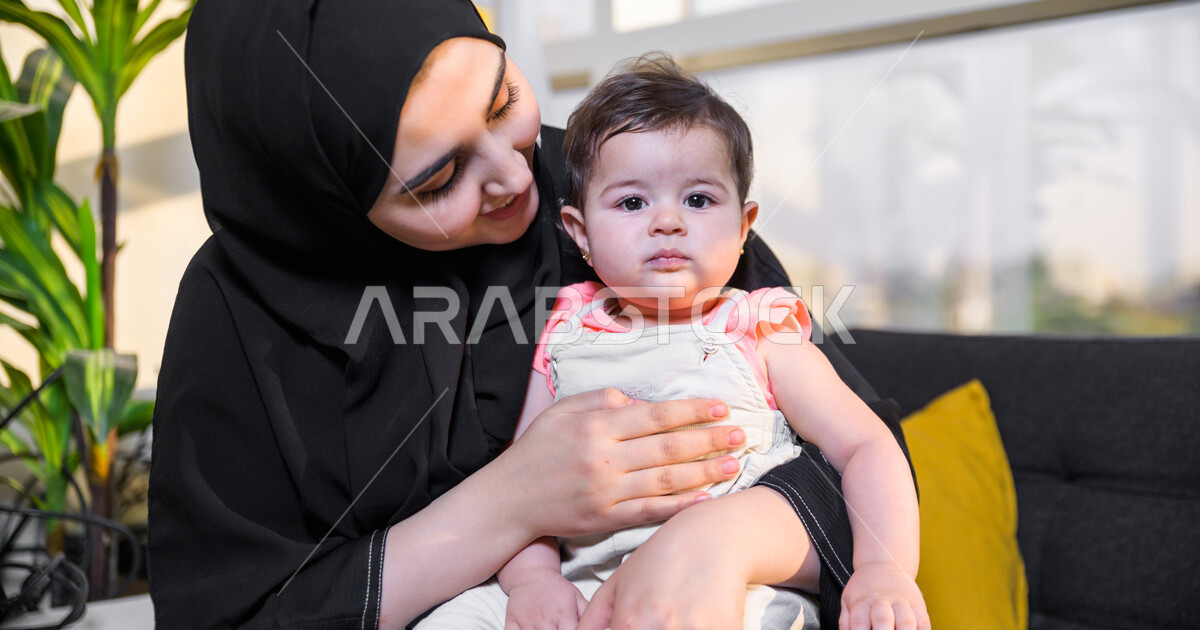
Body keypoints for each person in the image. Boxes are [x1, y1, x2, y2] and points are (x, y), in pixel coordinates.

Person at [149, 1, 913, 629]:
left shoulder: (634, 184)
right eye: (439, 178)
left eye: (503, 100)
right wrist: (512, 504)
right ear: (328, 209)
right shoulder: (234, 313)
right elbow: (231, 612)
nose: (518, 177)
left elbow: (864, 456)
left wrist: (722, 539)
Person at [413, 55, 929, 630]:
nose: (667, 222)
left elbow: (865, 446)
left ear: (743, 228)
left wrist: (883, 570)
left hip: (727, 586)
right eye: (632, 202)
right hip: (580, 588)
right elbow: (522, 480)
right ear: (581, 234)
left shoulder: (759, 331)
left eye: (698, 200)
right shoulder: (563, 331)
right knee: (454, 617)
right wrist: (534, 581)